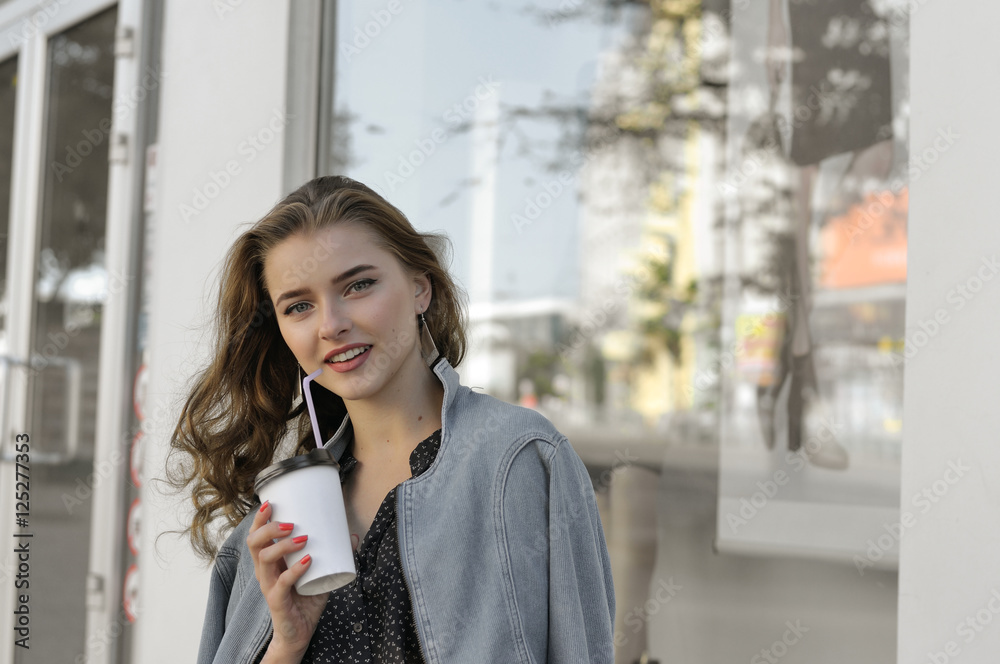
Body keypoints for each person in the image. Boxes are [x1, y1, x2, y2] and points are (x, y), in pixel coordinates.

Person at [168, 175, 616, 664]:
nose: (331, 324)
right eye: (299, 305)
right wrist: (288, 643)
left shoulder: (522, 461)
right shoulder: (271, 526)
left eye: (359, 285)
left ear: (420, 288)